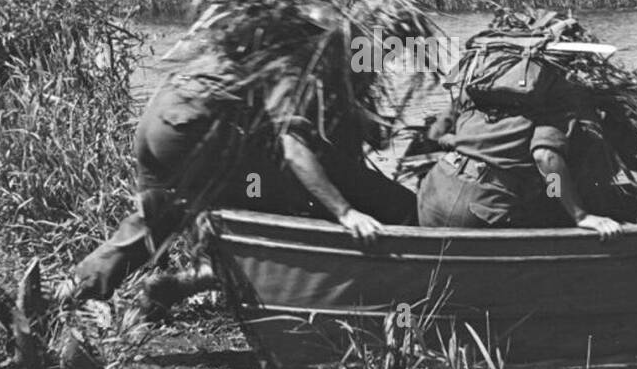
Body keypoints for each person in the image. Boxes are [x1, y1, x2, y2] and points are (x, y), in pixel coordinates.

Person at [66, 31, 415, 303]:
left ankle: (73, 291)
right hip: (192, 129)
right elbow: (294, 149)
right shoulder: (299, 70)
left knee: (155, 219)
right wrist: (345, 213)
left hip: (159, 119)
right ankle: (207, 275)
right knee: (266, 202)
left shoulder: (263, 50)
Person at [417, 48, 624, 237]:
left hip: (430, 198)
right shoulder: (555, 95)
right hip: (479, 211)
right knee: (553, 214)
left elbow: (435, 134)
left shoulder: (479, 85)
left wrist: (464, 142)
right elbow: (546, 158)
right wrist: (579, 214)